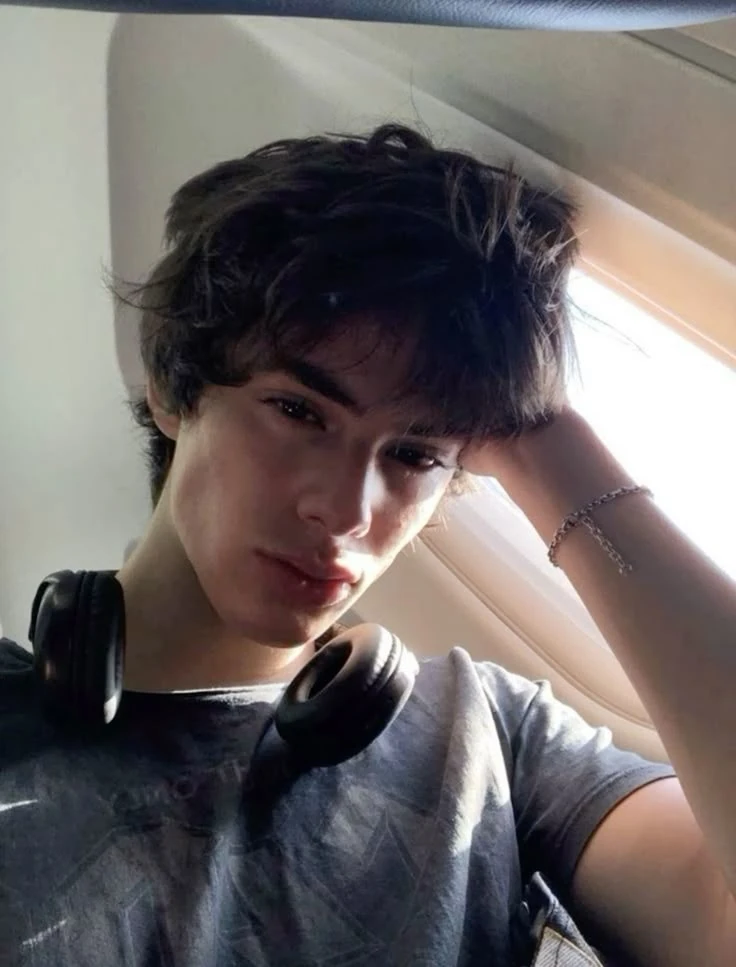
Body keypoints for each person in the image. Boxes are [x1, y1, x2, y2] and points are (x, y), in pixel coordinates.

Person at [1, 123, 734, 967]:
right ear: (174, 387)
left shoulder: (491, 737)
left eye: (414, 455)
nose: (346, 510)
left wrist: (546, 446)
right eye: (298, 411)